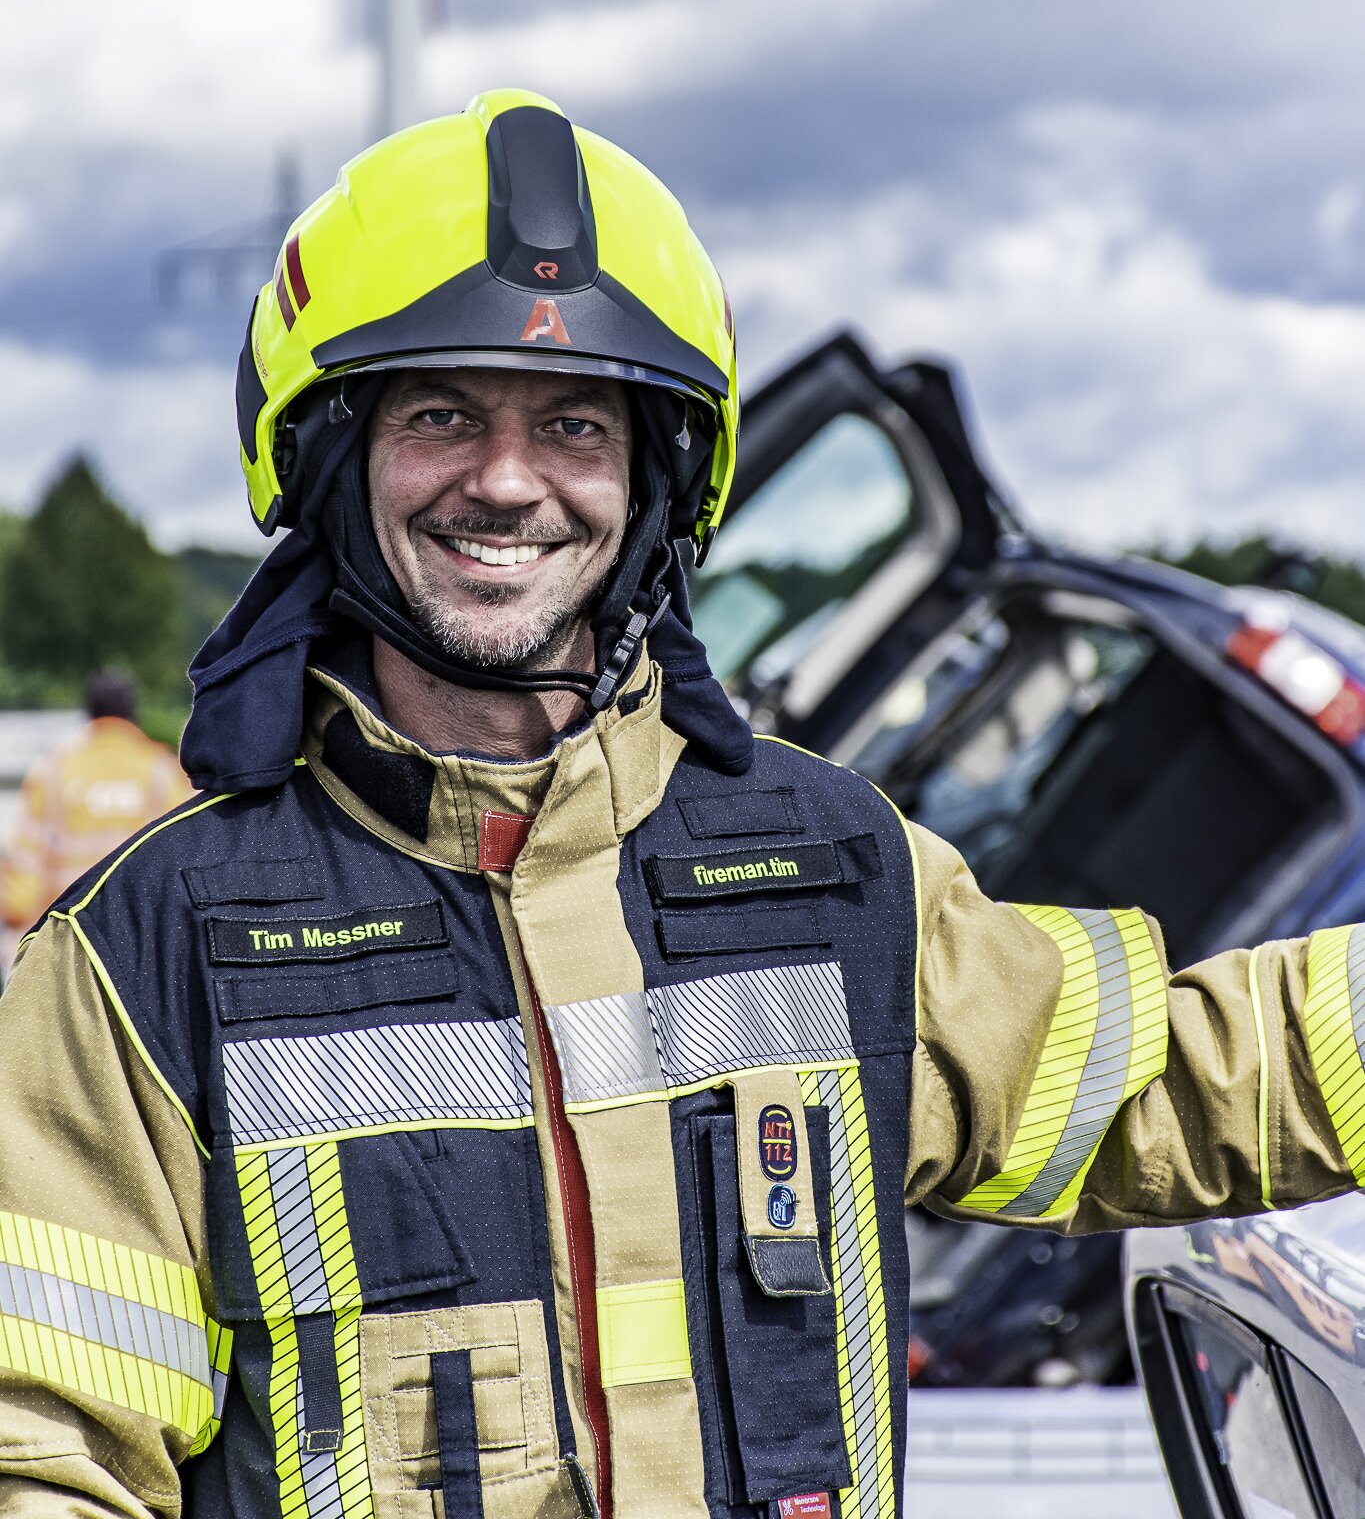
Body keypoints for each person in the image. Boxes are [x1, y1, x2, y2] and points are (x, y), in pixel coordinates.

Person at [0, 87, 1361, 1519]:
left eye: (577, 422)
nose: (510, 481)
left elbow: (1182, 1076)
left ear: (657, 479)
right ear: (333, 458)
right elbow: (48, 1462)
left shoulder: (838, 876)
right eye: (444, 412)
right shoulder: (143, 957)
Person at [0, 671, 189, 971]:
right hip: (141, 938)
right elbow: (186, 854)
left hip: (67, 938)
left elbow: (25, 861)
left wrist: (18, 919)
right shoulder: (160, 770)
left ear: (89, 713)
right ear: (132, 713)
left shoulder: (53, 770)